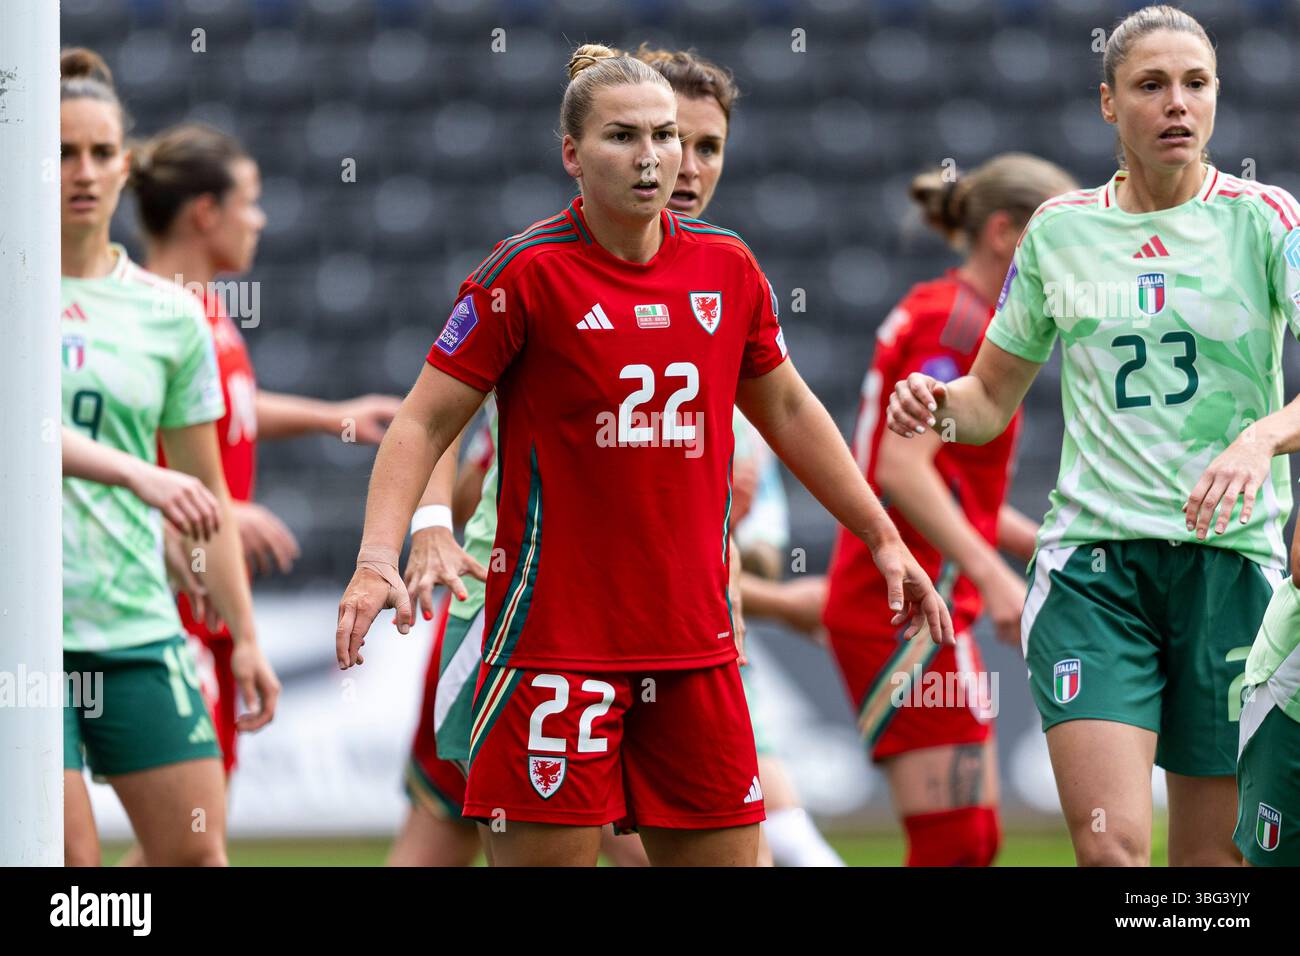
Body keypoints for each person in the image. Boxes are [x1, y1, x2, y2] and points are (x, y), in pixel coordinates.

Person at [338, 42, 952, 868]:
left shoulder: (729, 267)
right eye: (624, 137)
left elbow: (792, 408)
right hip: (554, 650)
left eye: (668, 136)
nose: (655, 157)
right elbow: (420, 424)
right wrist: (385, 549)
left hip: (696, 648)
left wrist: (880, 535)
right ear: (572, 154)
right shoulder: (523, 275)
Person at [888, 4, 1300, 866]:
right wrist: (934, 405)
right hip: (1095, 570)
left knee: (1212, 865)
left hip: (1231, 564)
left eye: (1196, 84)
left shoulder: (1265, 221)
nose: (1177, 104)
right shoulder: (1062, 231)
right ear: (1109, 103)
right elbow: (988, 401)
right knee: (1110, 850)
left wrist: (1262, 436)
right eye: (1151, 86)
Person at [58, 48, 279, 867]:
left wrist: (247, 636)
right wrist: (133, 471)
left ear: (125, 165)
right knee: (72, 871)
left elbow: (205, 492)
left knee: (194, 858)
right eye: (61, 152)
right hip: (27, 639)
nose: (84, 171)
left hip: (134, 625)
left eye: (100, 152)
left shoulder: (170, 317)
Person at [825, 154, 1075, 866]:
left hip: (911, 596)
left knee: (971, 840)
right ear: (1005, 234)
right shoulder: (959, 325)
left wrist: (1044, 545)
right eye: (1055, 235)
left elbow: (959, 494)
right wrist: (994, 578)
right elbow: (903, 471)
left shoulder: (955, 315)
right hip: (904, 602)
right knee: (958, 845)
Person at [129, 122, 401, 777]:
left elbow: (231, 409)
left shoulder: (204, 314)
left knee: (198, 831)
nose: (260, 219)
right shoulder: (150, 318)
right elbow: (120, 442)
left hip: (210, 586)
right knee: (192, 832)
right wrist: (216, 506)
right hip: (168, 593)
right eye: (248, 201)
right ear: (206, 212)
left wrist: (327, 416)